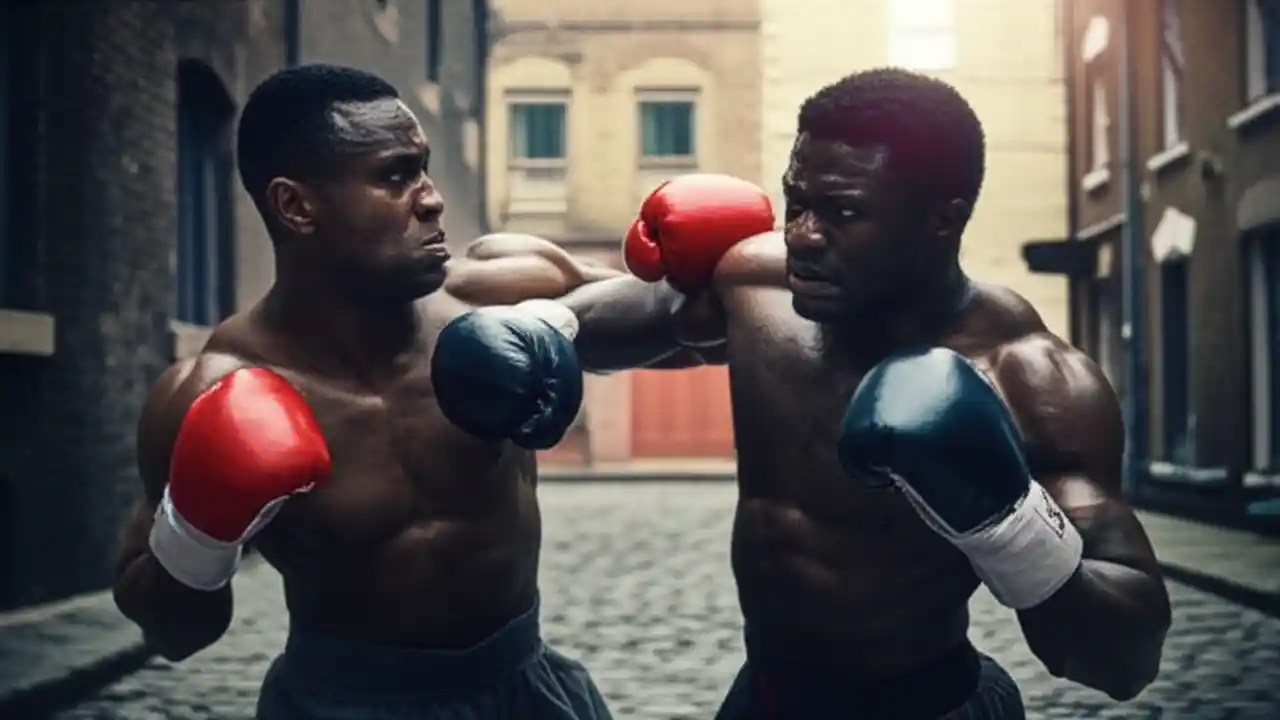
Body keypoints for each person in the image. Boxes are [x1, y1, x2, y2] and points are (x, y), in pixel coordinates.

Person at [552, 68, 1173, 718]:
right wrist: (547, 328)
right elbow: (646, 312)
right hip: (763, 699)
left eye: (844, 211)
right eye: (797, 202)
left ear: (942, 220)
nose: (803, 235)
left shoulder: (1030, 381)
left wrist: (1009, 523)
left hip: (926, 703)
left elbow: (1125, 659)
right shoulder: (761, 287)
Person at [112, 64, 630, 720]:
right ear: (296, 206)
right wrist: (200, 534)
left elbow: (676, 315)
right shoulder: (209, 396)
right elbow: (177, 633)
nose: (431, 197)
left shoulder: (493, 298)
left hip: (524, 691)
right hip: (346, 702)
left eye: (425, 168)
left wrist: (554, 325)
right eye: (395, 175)